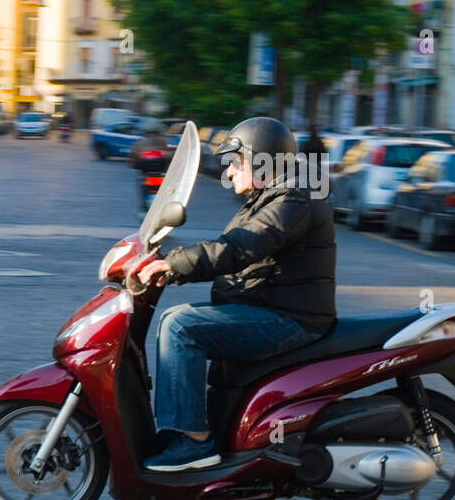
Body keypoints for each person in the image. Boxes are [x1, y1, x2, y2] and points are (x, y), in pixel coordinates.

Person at [136, 116, 336, 472]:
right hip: (274, 307)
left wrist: (175, 266)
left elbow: (242, 246)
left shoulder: (293, 198)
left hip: (291, 319)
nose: (229, 173)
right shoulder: (273, 195)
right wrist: (165, 261)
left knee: (181, 326)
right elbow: (231, 252)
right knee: (177, 319)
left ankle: (194, 442)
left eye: (236, 162)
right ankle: (183, 429)